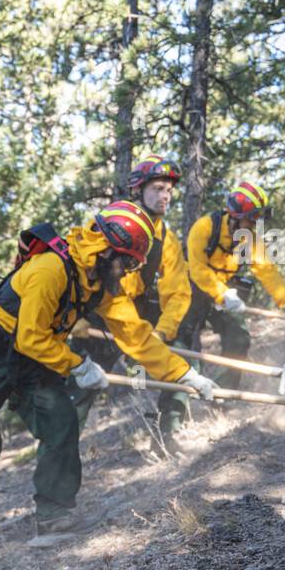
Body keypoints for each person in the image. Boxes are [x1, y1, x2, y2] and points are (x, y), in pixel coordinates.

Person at [0, 201, 218, 568]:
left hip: (34, 358)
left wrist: (184, 375)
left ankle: (53, 516)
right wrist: (78, 365)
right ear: (109, 251)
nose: (130, 271)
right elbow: (29, 336)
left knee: (61, 421)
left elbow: (136, 336)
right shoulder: (51, 269)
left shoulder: (101, 283)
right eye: (128, 262)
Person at [72, 154, 192, 446]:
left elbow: (177, 292)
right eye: (158, 188)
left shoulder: (167, 239)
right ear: (138, 189)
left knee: (178, 356)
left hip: (136, 317)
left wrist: (162, 331)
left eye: (169, 190)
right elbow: (78, 267)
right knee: (77, 387)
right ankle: (59, 454)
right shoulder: (108, 223)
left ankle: (170, 433)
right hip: (96, 319)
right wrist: (76, 317)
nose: (165, 195)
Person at [177, 181, 285, 390]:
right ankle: (180, 403)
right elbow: (198, 270)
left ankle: (222, 394)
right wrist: (224, 295)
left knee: (239, 338)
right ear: (236, 216)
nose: (256, 222)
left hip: (225, 290)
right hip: (193, 287)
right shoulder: (204, 228)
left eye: (259, 217)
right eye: (253, 217)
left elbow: (267, 270)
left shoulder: (250, 239)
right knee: (180, 342)